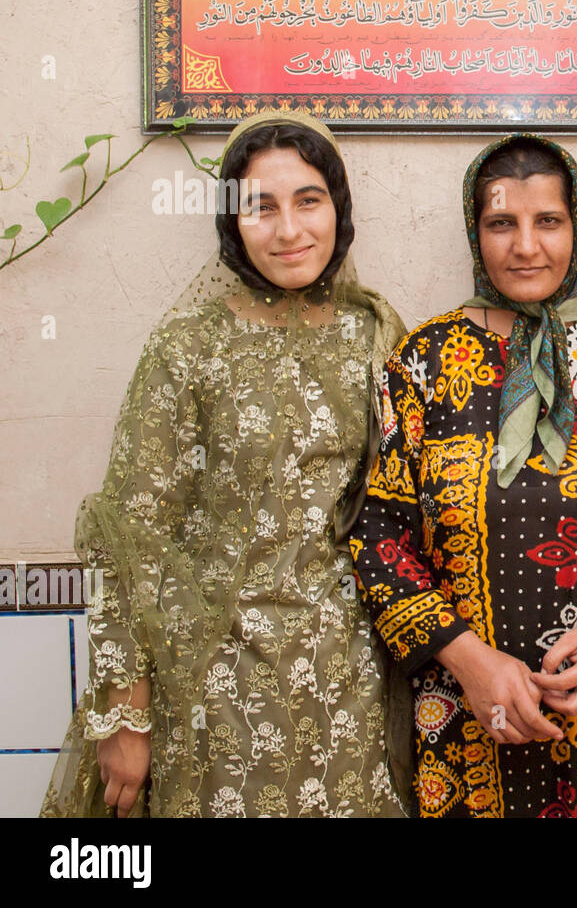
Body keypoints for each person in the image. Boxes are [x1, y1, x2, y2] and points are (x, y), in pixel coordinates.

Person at [42, 111, 412, 817]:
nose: (288, 229)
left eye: (309, 200)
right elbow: (130, 535)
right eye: (259, 207)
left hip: (349, 683)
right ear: (230, 224)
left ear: (340, 209)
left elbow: (402, 510)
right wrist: (127, 713)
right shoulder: (189, 348)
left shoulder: (377, 334)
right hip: (211, 687)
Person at [350, 134, 577, 817]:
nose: (526, 245)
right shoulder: (421, 365)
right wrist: (468, 660)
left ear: (575, 227)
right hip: (464, 729)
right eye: (502, 223)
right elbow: (379, 539)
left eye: (546, 221)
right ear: (475, 232)